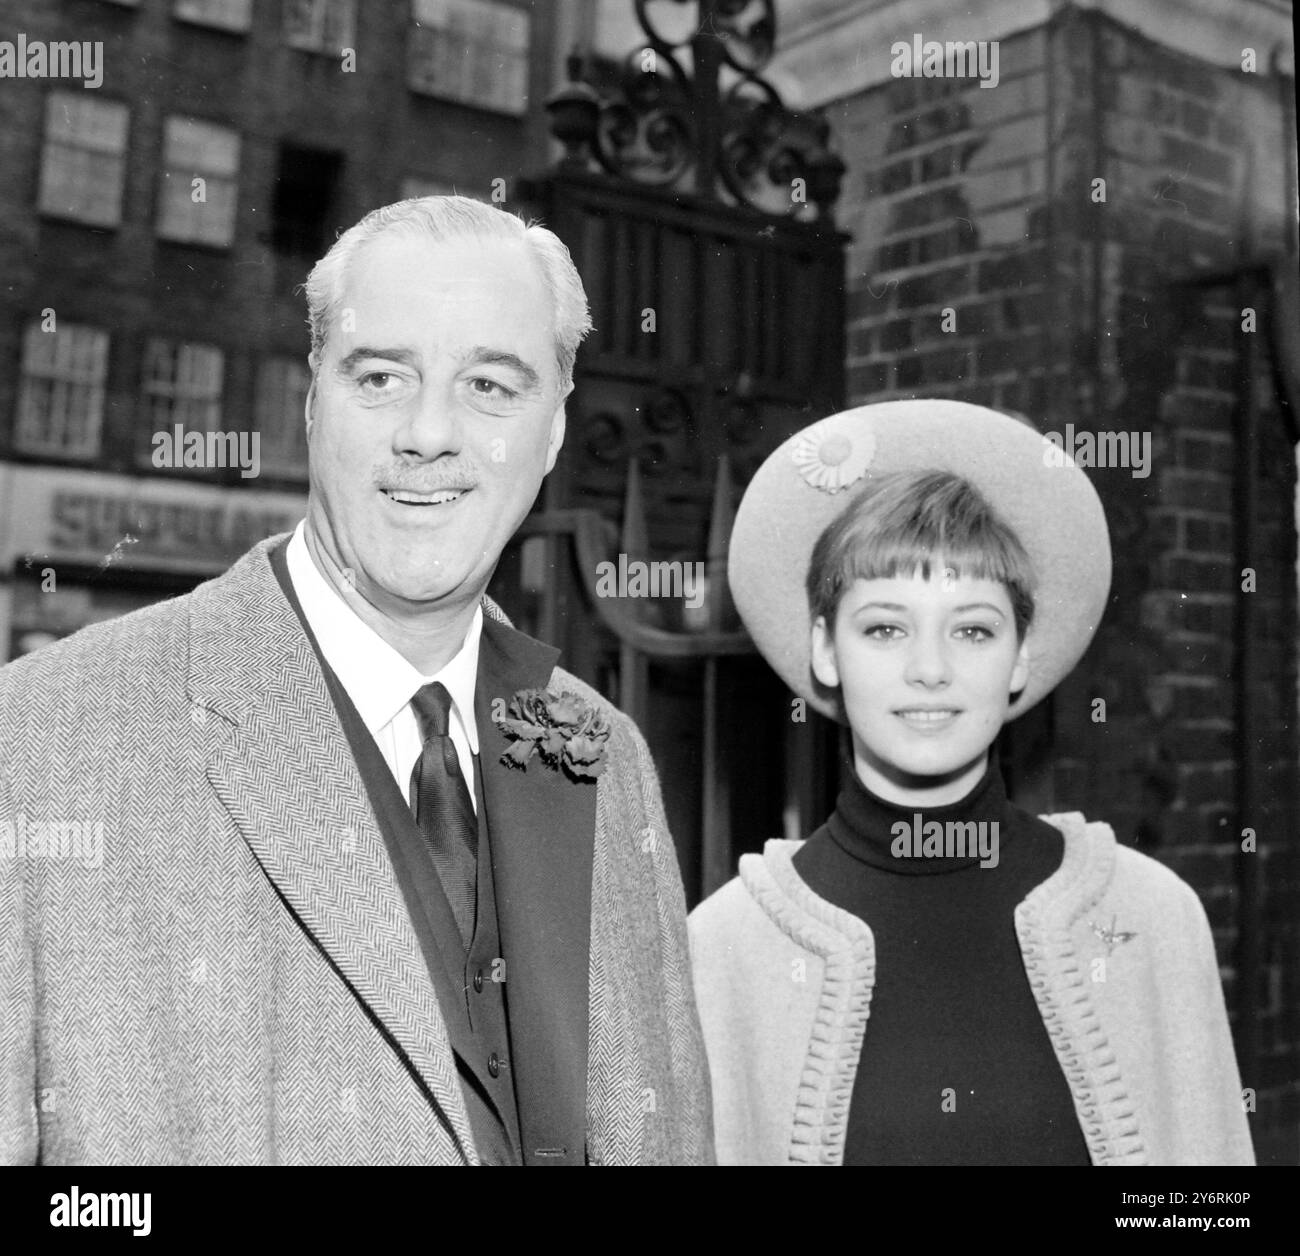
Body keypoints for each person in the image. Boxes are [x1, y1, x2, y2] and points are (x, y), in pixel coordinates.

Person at [0, 196, 712, 1166]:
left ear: (552, 432)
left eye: (491, 386)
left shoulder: (605, 755)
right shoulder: (41, 744)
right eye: (380, 376)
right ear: (310, 404)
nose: (428, 431)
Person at [689, 400, 1253, 1166]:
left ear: (1021, 655)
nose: (930, 669)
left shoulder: (1150, 920)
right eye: (886, 627)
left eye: (974, 629)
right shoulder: (724, 952)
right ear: (825, 650)